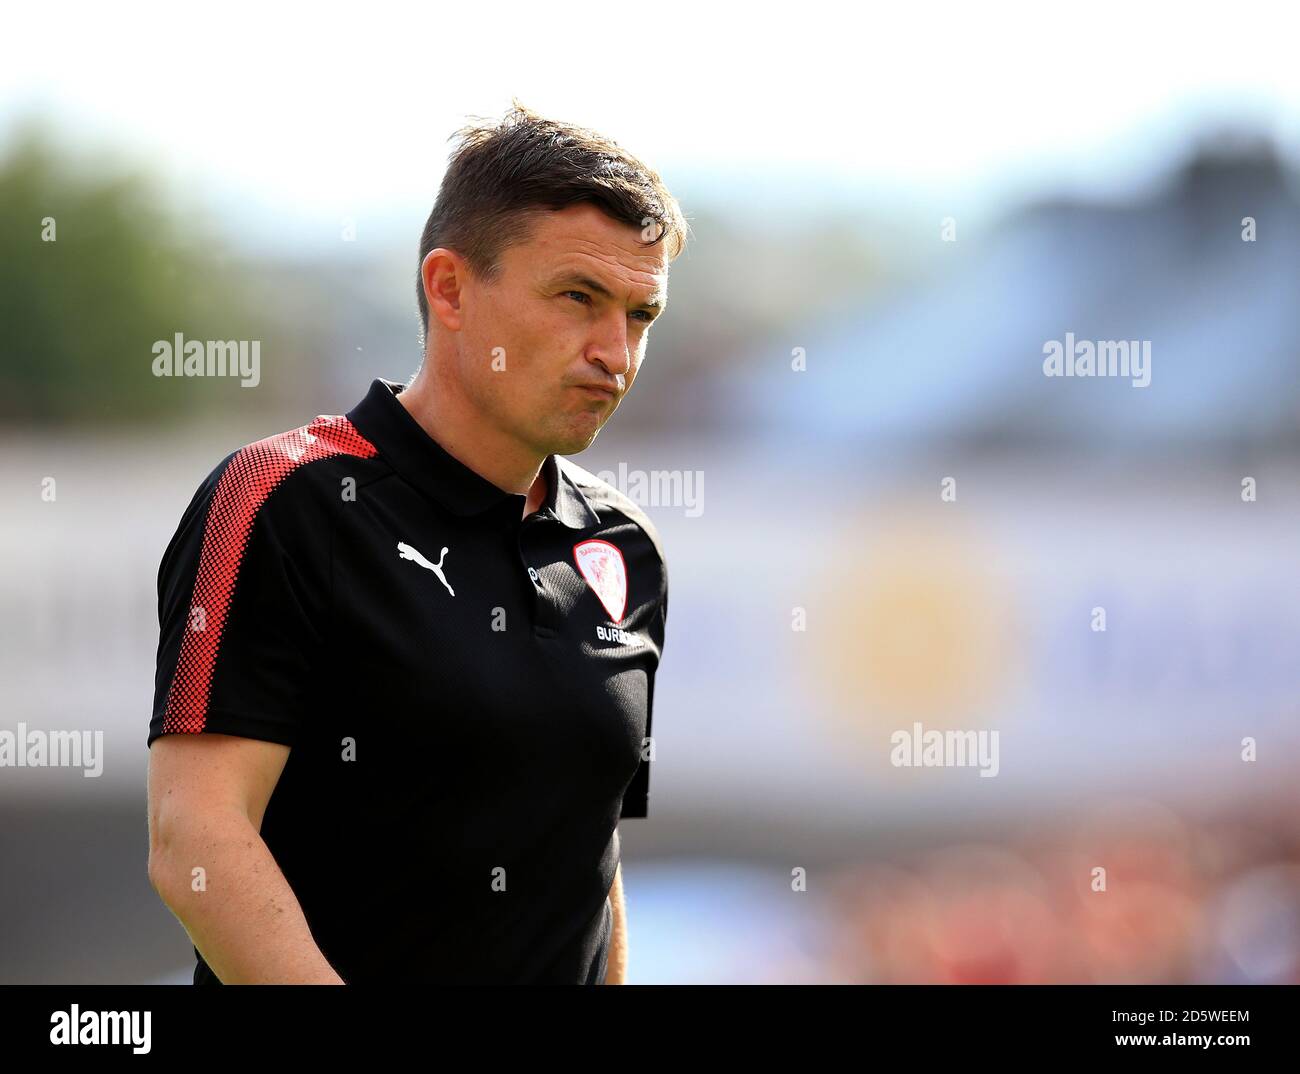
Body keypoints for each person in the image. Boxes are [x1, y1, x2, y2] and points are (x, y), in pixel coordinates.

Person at [145, 101, 689, 984]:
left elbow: (592, 866)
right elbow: (194, 843)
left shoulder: (627, 550)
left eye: (640, 315)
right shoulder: (288, 501)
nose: (615, 353)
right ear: (450, 288)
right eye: (578, 298)